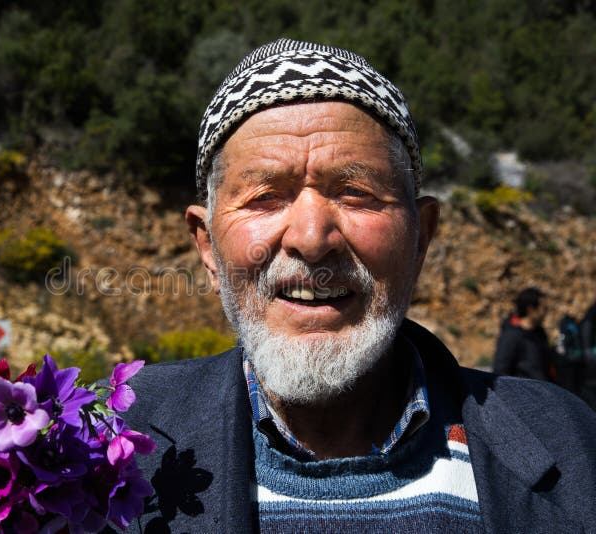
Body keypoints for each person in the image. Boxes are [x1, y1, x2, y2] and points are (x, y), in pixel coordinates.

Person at [122, 39, 596, 532]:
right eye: (265, 198)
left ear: (421, 236)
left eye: (356, 193)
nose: (311, 239)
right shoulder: (112, 446)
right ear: (207, 246)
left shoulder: (567, 439)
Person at [493, 287, 556, 381]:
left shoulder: (540, 333)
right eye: (544, 308)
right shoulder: (511, 336)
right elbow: (500, 373)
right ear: (531, 309)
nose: (545, 313)